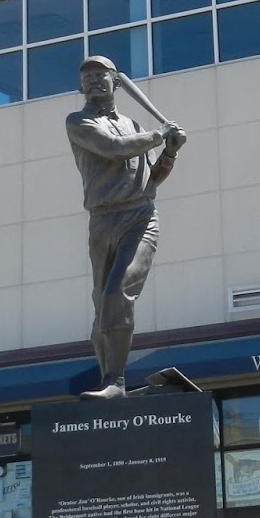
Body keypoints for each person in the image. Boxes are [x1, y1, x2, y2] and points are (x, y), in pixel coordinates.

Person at [65, 55, 186, 398]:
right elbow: (113, 149)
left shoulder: (134, 126)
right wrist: (160, 134)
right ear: (80, 87)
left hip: (140, 216)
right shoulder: (78, 122)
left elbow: (151, 180)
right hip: (102, 221)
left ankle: (114, 383)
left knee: (118, 294)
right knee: (102, 307)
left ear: (116, 82)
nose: (93, 81)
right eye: (86, 77)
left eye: (101, 75)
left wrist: (170, 153)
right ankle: (108, 377)